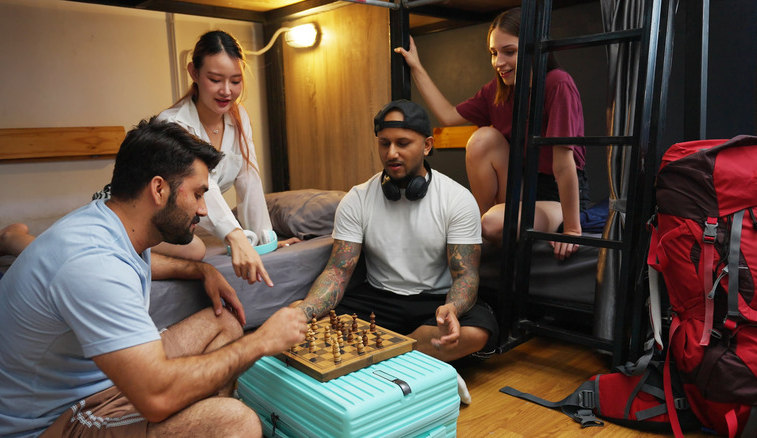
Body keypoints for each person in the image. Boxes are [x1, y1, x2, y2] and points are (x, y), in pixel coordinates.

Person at [0, 117, 307, 437]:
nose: (204, 210)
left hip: (100, 379)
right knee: (235, 422)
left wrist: (201, 269)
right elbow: (156, 397)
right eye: (197, 194)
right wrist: (262, 341)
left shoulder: (111, 223)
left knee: (225, 323)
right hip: (50, 421)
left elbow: (128, 264)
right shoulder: (92, 264)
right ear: (158, 189)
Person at [293, 100, 499, 404]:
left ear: (427, 145)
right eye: (384, 143)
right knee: (305, 319)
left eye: (403, 143)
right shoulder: (357, 199)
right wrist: (304, 311)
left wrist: (452, 308)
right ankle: (419, 365)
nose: (391, 153)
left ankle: (374, 360)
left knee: (478, 331)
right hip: (378, 301)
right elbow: (338, 271)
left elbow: (466, 274)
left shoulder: (457, 199)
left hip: (435, 303)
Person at [394, 8, 589, 261]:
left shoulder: (557, 83)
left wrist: (572, 230)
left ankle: (485, 225)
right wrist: (416, 66)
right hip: (519, 184)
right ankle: (480, 226)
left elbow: (564, 165)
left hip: (555, 194)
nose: (498, 62)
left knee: (495, 224)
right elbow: (449, 116)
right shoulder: (497, 92)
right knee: (482, 138)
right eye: (494, 53)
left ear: (534, 47)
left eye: (509, 52)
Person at [157, 30, 299, 284]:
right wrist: (235, 235)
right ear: (194, 73)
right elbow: (200, 188)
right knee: (195, 249)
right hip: (155, 216)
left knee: (197, 245)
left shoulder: (239, 117)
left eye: (235, 81)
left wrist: (264, 239)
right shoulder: (172, 124)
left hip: (182, 222)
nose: (226, 91)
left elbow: (249, 179)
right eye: (215, 79)